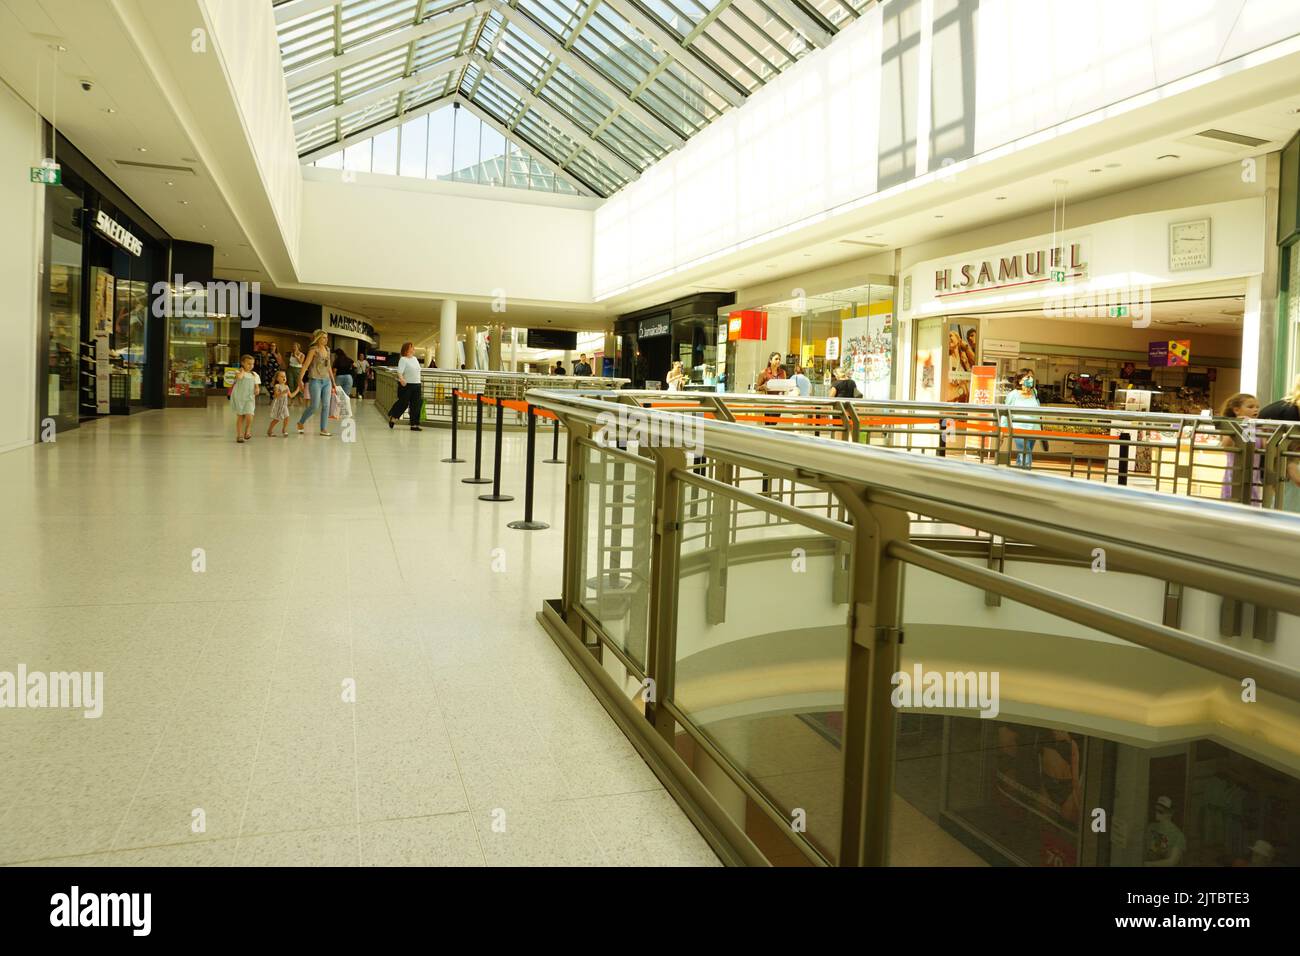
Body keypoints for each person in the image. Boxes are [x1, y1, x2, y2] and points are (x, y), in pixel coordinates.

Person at [1259, 376, 1300, 512]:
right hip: (1275, 459)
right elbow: (1285, 443)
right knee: (1284, 500)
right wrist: (1291, 465)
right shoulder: (1290, 412)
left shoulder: (1288, 406)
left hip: (1274, 457)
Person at [1218, 393, 1262, 505]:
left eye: (1257, 407)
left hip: (1253, 476)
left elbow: (1263, 447)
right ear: (1237, 410)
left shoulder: (1256, 428)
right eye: (1250, 407)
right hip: (1234, 475)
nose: (1255, 409)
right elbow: (1226, 445)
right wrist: (1237, 425)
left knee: (1251, 503)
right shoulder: (1232, 425)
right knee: (1233, 502)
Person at [291, 330, 337, 437]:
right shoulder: (313, 350)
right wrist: (299, 380)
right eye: (323, 338)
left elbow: (328, 366)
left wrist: (333, 381)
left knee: (326, 405)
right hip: (315, 380)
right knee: (314, 406)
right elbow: (306, 365)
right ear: (318, 338)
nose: (326, 339)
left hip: (326, 381)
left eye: (326, 337)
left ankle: (323, 429)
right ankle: (301, 422)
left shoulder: (327, 349)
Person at [1004, 369, 1041, 469]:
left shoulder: (1034, 392)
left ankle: (1017, 475)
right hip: (1019, 429)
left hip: (1033, 429)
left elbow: (1038, 409)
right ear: (1020, 380)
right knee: (1026, 452)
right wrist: (1003, 429)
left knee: (1023, 453)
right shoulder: (1013, 395)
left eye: (1032, 377)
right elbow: (1005, 413)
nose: (1031, 379)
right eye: (1028, 377)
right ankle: (1026, 476)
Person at [387, 341, 424, 431]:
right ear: (407, 349)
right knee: (403, 403)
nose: (413, 348)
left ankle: (414, 424)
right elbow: (399, 372)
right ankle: (394, 417)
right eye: (411, 347)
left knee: (416, 405)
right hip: (407, 385)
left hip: (417, 384)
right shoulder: (403, 359)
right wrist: (402, 379)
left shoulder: (415, 359)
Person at [1144, 795, 1186, 867]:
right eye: (1156, 810)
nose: (1156, 813)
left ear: (1170, 813)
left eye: (1160, 811)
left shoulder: (1178, 835)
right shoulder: (1151, 827)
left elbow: (1172, 862)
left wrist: (1149, 864)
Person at [230, 354, 259, 443]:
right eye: (248, 364)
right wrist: (242, 371)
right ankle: (239, 435)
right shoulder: (238, 372)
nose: (251, 366)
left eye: (252, 364)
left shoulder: (254, 375)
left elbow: (256, 385)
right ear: (243, 363)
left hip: (250, 398)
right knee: (240, 416)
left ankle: (248, 430)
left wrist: (257, 389)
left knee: (250, 415)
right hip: (240, 398)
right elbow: (239, 378)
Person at [266, 370, 290, 437]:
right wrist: (283, 392)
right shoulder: (277, 386)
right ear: (277, 378)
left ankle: (284, 430)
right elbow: (276, 395)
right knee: (277, 419)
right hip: (278, 405)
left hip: (284, 405)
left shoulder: (286, 387)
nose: (284, 378)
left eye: (284, 376)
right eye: (281, 376)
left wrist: (298, 389)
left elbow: (291, 396)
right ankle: (269, 430)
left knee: (287, 417)